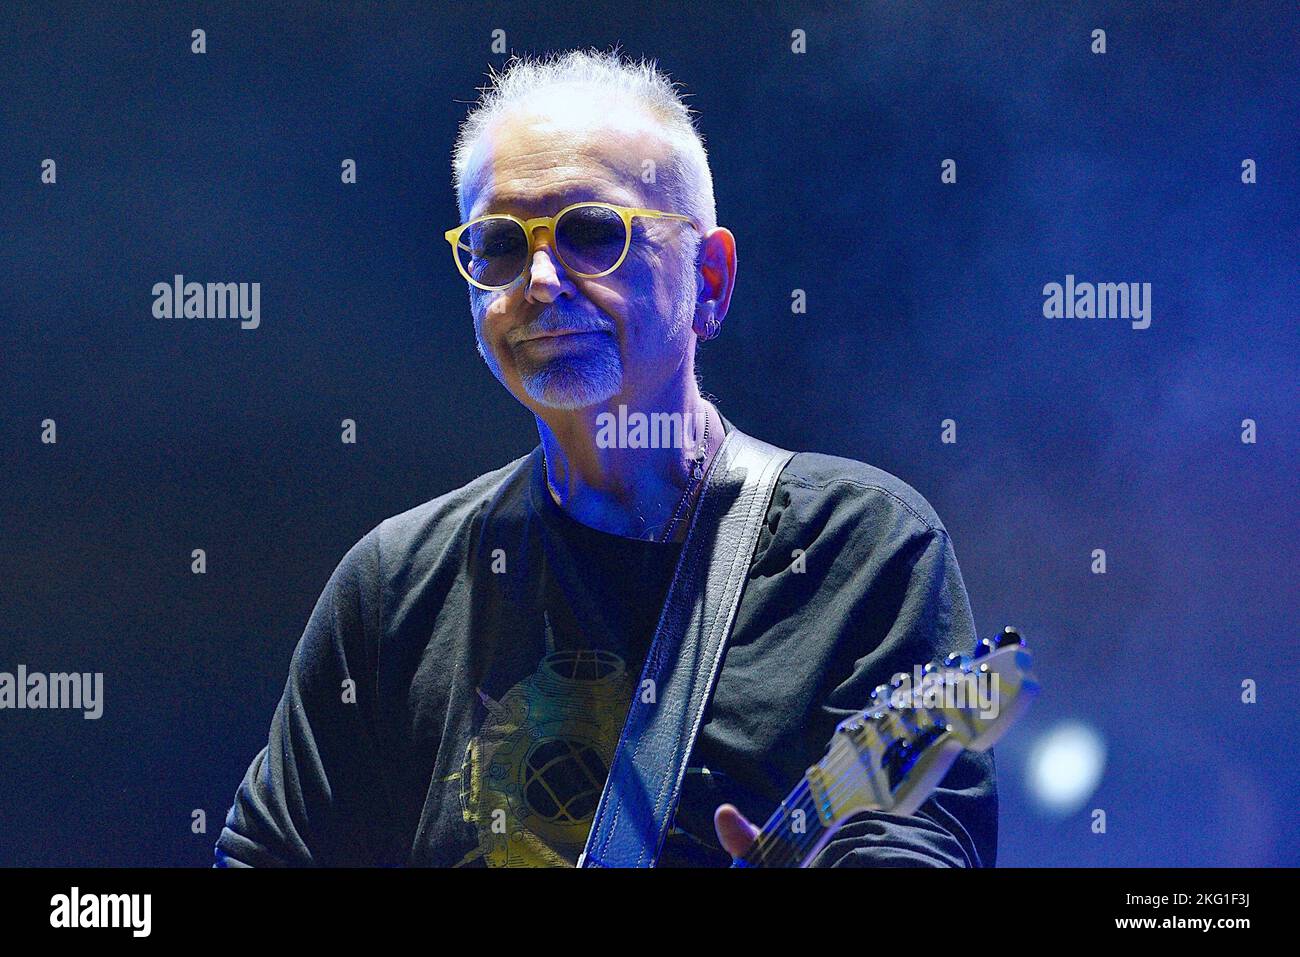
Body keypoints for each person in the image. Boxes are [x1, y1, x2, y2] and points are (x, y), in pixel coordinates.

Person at [215, 48, 995, 868]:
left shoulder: (858, 549)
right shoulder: (392, 586)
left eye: (593, 233)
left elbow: (915, 839)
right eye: (499, 243)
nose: (540, 280)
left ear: (710, 279)